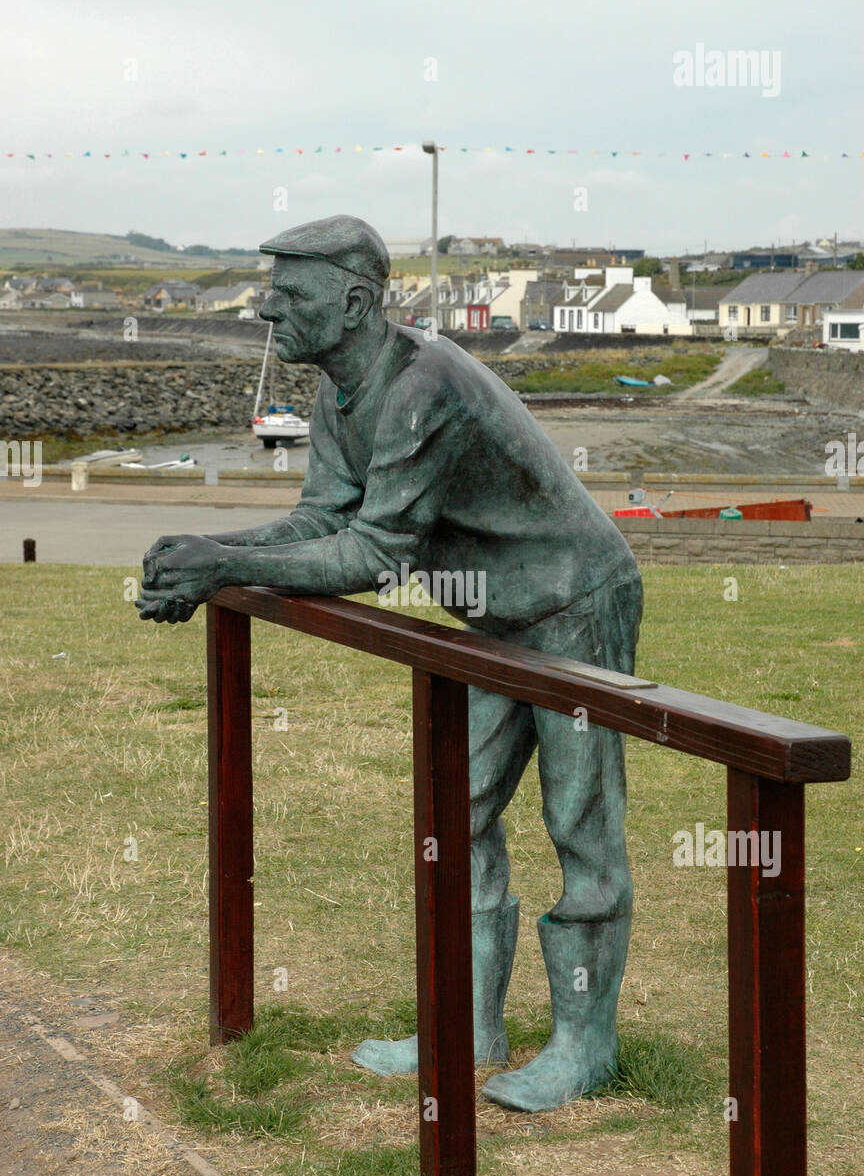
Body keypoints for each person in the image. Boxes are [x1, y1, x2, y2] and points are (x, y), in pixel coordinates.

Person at [138, 214, 643, 1112]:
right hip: (492, 620)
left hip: (573, 603)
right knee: (460, 809)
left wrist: (224, 564)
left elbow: (376, 555)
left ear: (356, 301)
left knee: (580, 823)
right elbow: (320, 523)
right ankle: (470, 1024)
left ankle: (585, 1043)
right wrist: (209, 553)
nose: (266, 311)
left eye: (288, 295)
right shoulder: (338, 393)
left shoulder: (426, 385)